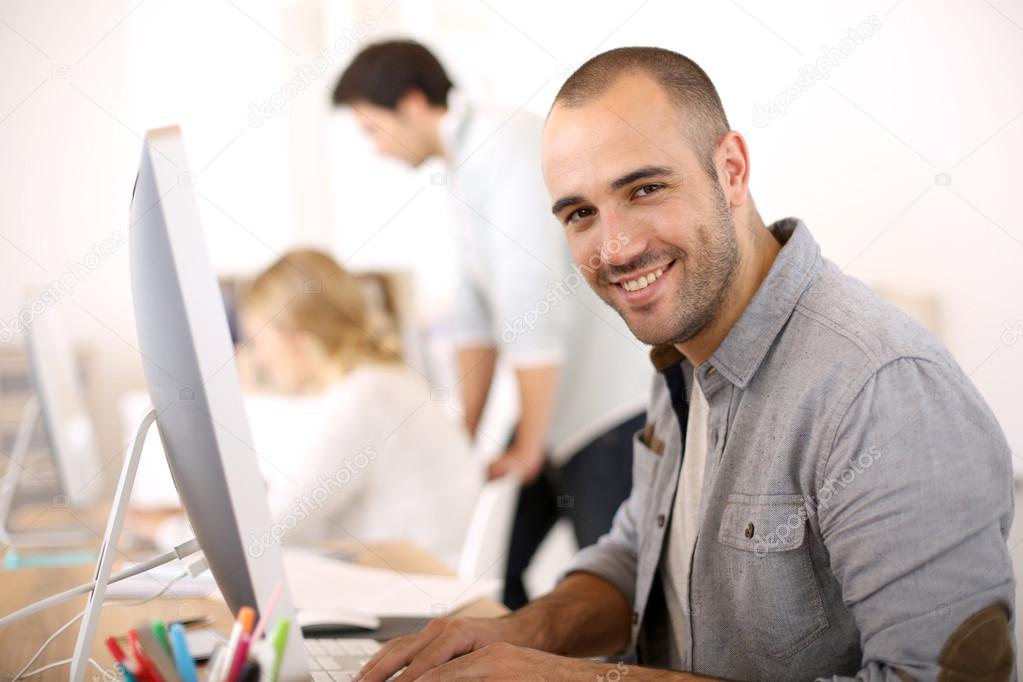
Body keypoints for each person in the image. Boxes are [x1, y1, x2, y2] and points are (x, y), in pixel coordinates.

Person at [352, 47, 1015, 681]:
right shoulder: (685, 356)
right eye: (580, 213)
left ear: (730, 168)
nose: (614, 248)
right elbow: (638, 556)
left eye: (642, 189)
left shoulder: (882, 389)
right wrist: (522, 634)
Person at [332, 40, 652, 608]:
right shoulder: (459, 172)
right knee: (489, 579)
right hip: (553, 414)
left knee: (613, 597)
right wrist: (465, 435)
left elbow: (533, 300)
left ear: (410, 102)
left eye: (372, 128)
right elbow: (473, 322)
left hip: (604, 412)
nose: (375, 148)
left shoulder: (501, 143)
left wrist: (526, 444)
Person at [240, 249, 479, 567]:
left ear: (296, 335)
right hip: (436, 576)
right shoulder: (389, 380)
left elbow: (268, 534)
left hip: (415, 592)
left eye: (259, 341)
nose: (259, 359)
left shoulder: (358, 401)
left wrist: (168, 528)